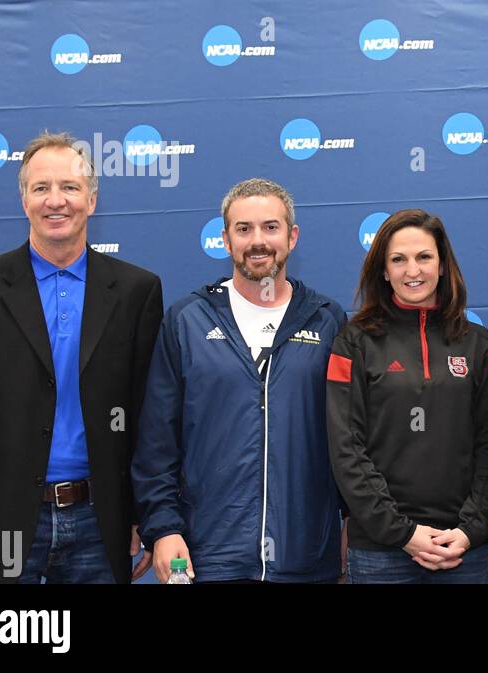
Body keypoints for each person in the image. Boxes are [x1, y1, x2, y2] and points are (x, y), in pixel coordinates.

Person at [0, 130, 163, 583]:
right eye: (41, 188)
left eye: (70, 187)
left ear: (92, 201)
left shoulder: (138, 291)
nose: (55, 200)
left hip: (102, 523)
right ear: (24, 200)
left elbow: (146, 417)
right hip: (1, 526)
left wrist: (145, 516)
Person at [133, 178, 346, 583]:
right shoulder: (188, 320)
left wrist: (352, 521)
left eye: (271, 227)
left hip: (306, 557)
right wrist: (164, 528)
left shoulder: (327, 320)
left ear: (292, 236)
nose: (258, 241)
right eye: (243, 229)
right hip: (208, 557)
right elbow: (157, 441)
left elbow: (348, 436)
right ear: (225, 239)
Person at [326, 209, 488, 583]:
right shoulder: (354, 342)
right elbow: (346, 446)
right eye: (398, 260)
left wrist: (470, 529)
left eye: (424, 257)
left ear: (442, 265)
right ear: (384, 271)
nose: (413, 271)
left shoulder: (478, 344)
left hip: (461, 548)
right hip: (381, 551)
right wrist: (401, 532)